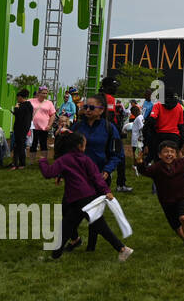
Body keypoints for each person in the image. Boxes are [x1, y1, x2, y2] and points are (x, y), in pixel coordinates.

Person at [40, 131, 132, 261]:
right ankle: (55, 255)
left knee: (87, 227)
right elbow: (97, 178)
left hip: (78, 199)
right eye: (84, 144)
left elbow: (48, 173)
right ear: (79, 146)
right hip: (87, 197)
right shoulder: (86, 159)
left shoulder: (64, 160)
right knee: (68, 227)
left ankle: (123, 249)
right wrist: (106, 190)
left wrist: (43, 161)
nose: (86, 146)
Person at [137, 138, 184, 253]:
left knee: (183, 217)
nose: (169, 154)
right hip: (165, 201)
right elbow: (145, 171)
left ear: (176, 154)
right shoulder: (157, 168)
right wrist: (140, 163)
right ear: (159, 155)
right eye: (166, 152)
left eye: (172, 152)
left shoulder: (183, 163)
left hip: (180, 198)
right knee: (176, 227)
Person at [72, 94, 122, 202]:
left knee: (95, 215)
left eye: (92, 107)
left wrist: (107, 170)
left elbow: (117, 154)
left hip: (99, 178)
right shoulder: (77, 127)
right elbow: (67, 149)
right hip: (77, 177)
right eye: (85, 107)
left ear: (101, 110)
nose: (88, 110)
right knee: (70, 213)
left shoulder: (110, 128)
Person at [10, 88, 33, 170]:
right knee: (18, 146)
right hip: (25, 128)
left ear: (20, 97)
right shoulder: (29, 105)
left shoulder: (21, 106)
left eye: (18, 97)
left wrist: (16, 109)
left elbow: (19, 115)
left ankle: (21, 164)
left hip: (20, 129)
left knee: (20, 146)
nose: (17, 99)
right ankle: (15, 163)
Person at [29, 87, 56, 154]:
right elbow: (23, 105)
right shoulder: (30, 101)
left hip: (44, 127)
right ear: (38, 93)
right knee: (33, 144)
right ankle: (32, 162)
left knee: (43, 144)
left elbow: (53, 115)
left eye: (46, 93)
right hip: (33, 127)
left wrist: (49, 125)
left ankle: (44, 160)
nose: (45, 95)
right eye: (43, 93)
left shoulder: (49, 103)